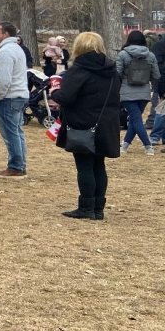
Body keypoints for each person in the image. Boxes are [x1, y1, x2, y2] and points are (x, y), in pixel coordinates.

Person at [51, 32, 121, 219]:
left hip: (82, 123)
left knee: (85, 166)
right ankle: (98, 207)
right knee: (99, 165)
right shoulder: (112, 70)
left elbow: (65, 97)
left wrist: (55, 89)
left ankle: (86, 207)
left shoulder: (79, 70)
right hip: (106, 123)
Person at [0, 22, 31, 177]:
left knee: (10, 133)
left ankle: (15, 166)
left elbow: (4, 79)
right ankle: (20, 164)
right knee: (17, 131)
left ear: (6, 34)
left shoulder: (6, 51)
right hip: (19, 95)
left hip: (9, 97)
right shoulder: (17, 48)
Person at [116, 29, 159, 155]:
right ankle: (125, 145)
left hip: (126, 92)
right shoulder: (150, 55)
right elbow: (156, 75)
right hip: (144, 92)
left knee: (136, 120)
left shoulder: (123, 55)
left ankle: (148, 145)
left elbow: (117, 74)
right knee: (135, 119)